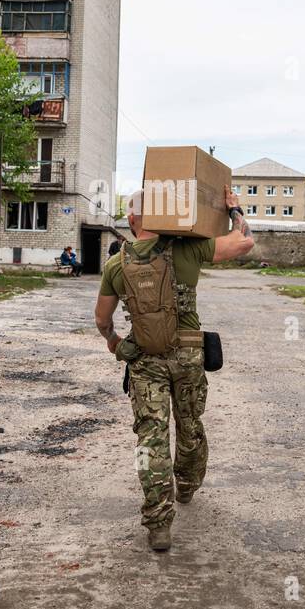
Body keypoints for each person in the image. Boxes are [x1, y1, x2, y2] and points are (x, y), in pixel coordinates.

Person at [94, 185, 254, 552]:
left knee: (151, 437)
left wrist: (115, 344)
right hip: (188, 356)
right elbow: (244, 242)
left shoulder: (117, 264)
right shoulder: (187, 248)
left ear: (132, 220)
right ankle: (187, 486)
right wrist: (234, 209)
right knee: (190, 424)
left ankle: (159, 524)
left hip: (145, 361)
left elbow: (102, 319)